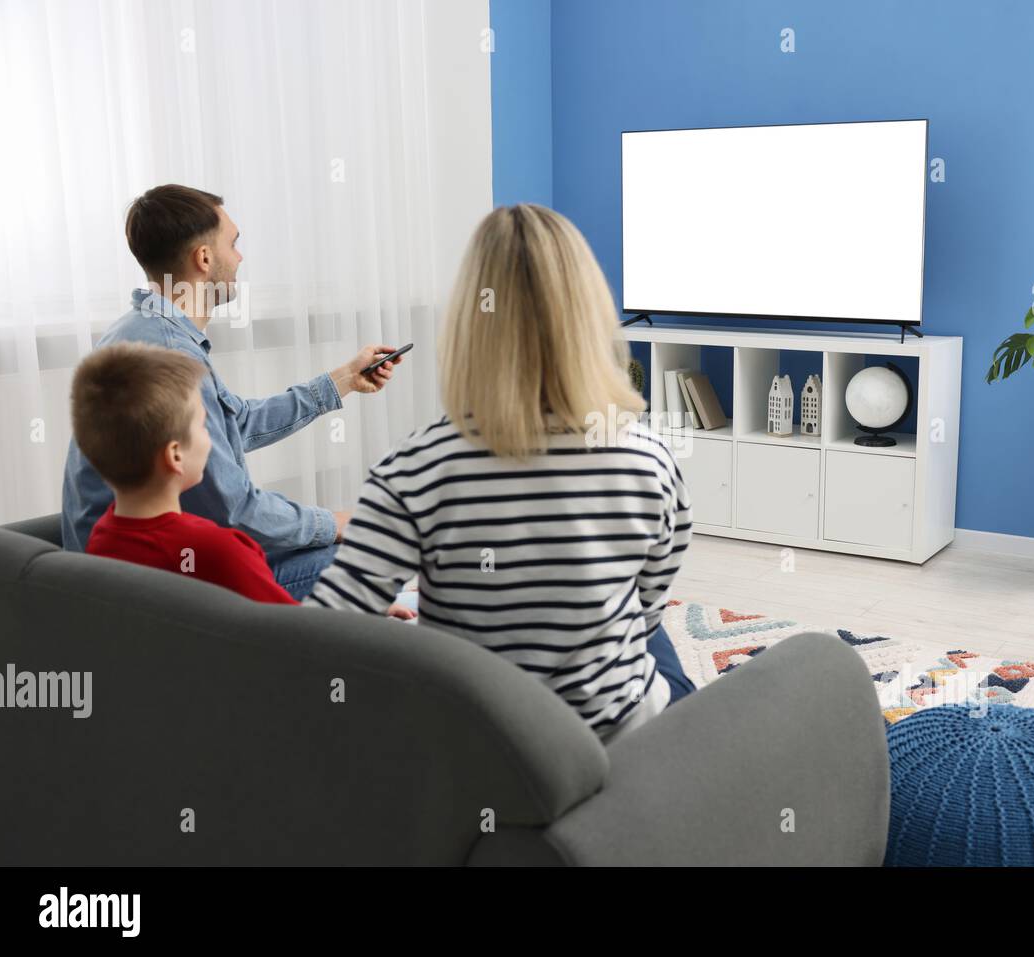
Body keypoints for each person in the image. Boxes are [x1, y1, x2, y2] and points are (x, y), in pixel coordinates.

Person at [306, 204, 696, 739]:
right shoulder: (649, 459)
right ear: (590, 317)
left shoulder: (414, 469)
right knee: (653, 640)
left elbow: (324, 636)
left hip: (483, 755)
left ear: (469, 322)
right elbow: (647, 610)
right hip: (614, 749)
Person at [61, 184, 404, 600]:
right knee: (371, 557)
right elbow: (236, 511)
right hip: (153, 588)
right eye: (233, 242)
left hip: (120, 571)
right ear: (204, 259)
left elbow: (233, 422)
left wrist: (343, 380)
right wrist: (337, 523)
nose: (240, 257)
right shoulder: (170, 355)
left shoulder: (141, 331)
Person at [70, 340, 416, 621]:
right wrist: (366, 619)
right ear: (175, 456)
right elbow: (300, 639)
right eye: (207, 425)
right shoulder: (223, 551)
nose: (217, 437)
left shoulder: (101, 540)